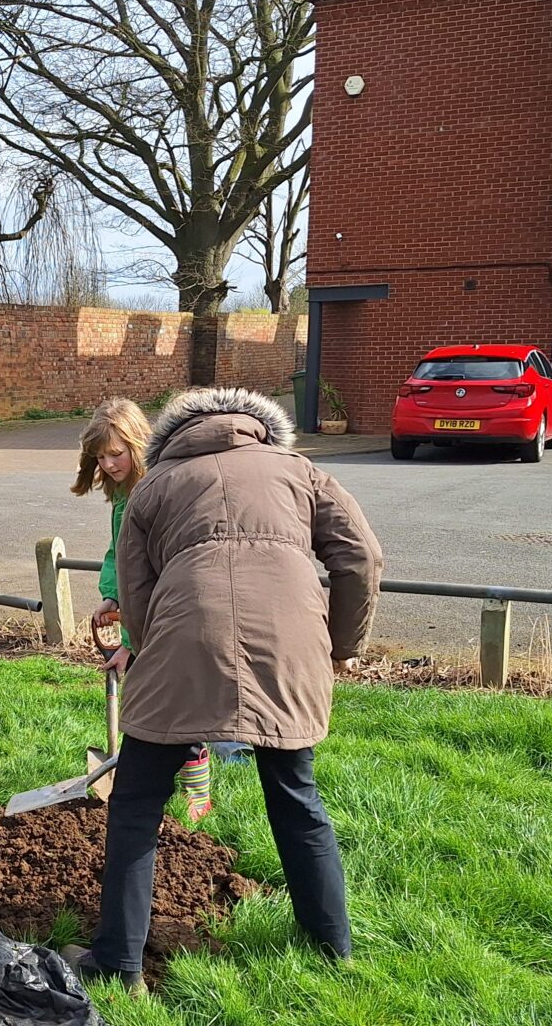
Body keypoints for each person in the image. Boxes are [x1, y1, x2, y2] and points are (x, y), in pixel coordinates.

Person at [68, 386, 382, 992]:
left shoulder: (155, 485)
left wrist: (145, 644)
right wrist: (342, 646)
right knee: (295, 793)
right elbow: (362, 558)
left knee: (135, 801)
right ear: (257, 425)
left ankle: (119, 962)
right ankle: (332, 950)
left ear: (168, 436)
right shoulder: (300, 470)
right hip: (288, 640)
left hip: (184, 637)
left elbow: (135, 589)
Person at [72, 398, 211, 826]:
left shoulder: (157, 488)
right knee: (160, 703)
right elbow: (121, 554)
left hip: (172, 607)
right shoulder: (122, 495)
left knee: (175, 702)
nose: (109, 464)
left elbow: (152, 569)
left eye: (117, 453)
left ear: (137, 443)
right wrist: (112, 597)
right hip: (145, 609)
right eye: (101, 457)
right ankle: (171, 771)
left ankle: (197, 781)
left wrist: (131, 643)